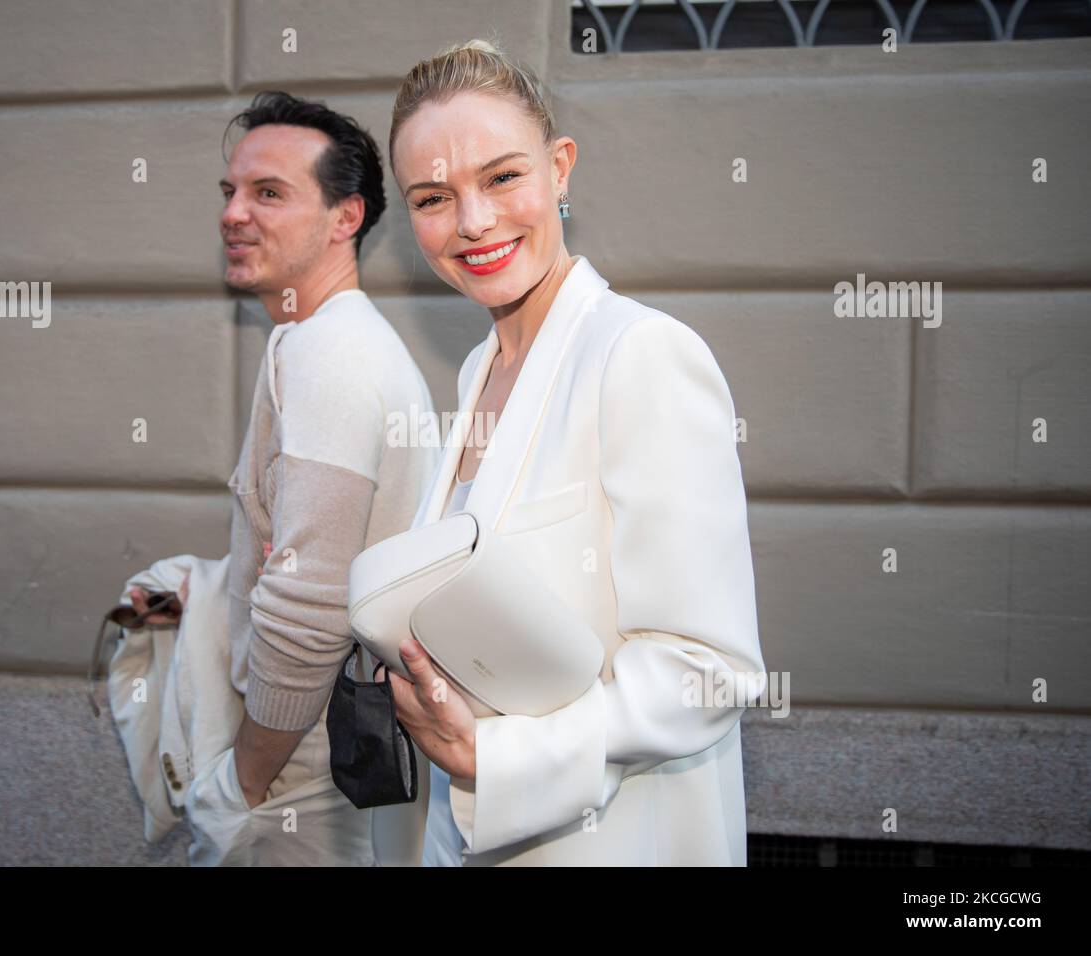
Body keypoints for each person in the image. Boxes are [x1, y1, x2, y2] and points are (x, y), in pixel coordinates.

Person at [375, 39, 768, 866]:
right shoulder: (484, 370)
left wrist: (498, 759)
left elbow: (709, 672)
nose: (474, 222)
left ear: (560, 168)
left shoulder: (641, 355)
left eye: (502, 177)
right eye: (434, 197)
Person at [133, 90, 439, 865]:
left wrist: (245, 782)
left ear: (346, 218)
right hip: (325, 752)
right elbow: (313, 553)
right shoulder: (331, 341)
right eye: (230, 191)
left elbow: (308, 609)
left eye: (269, 193)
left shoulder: (326, 356)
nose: (235, 213)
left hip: (300, 770)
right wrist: (198, 594)